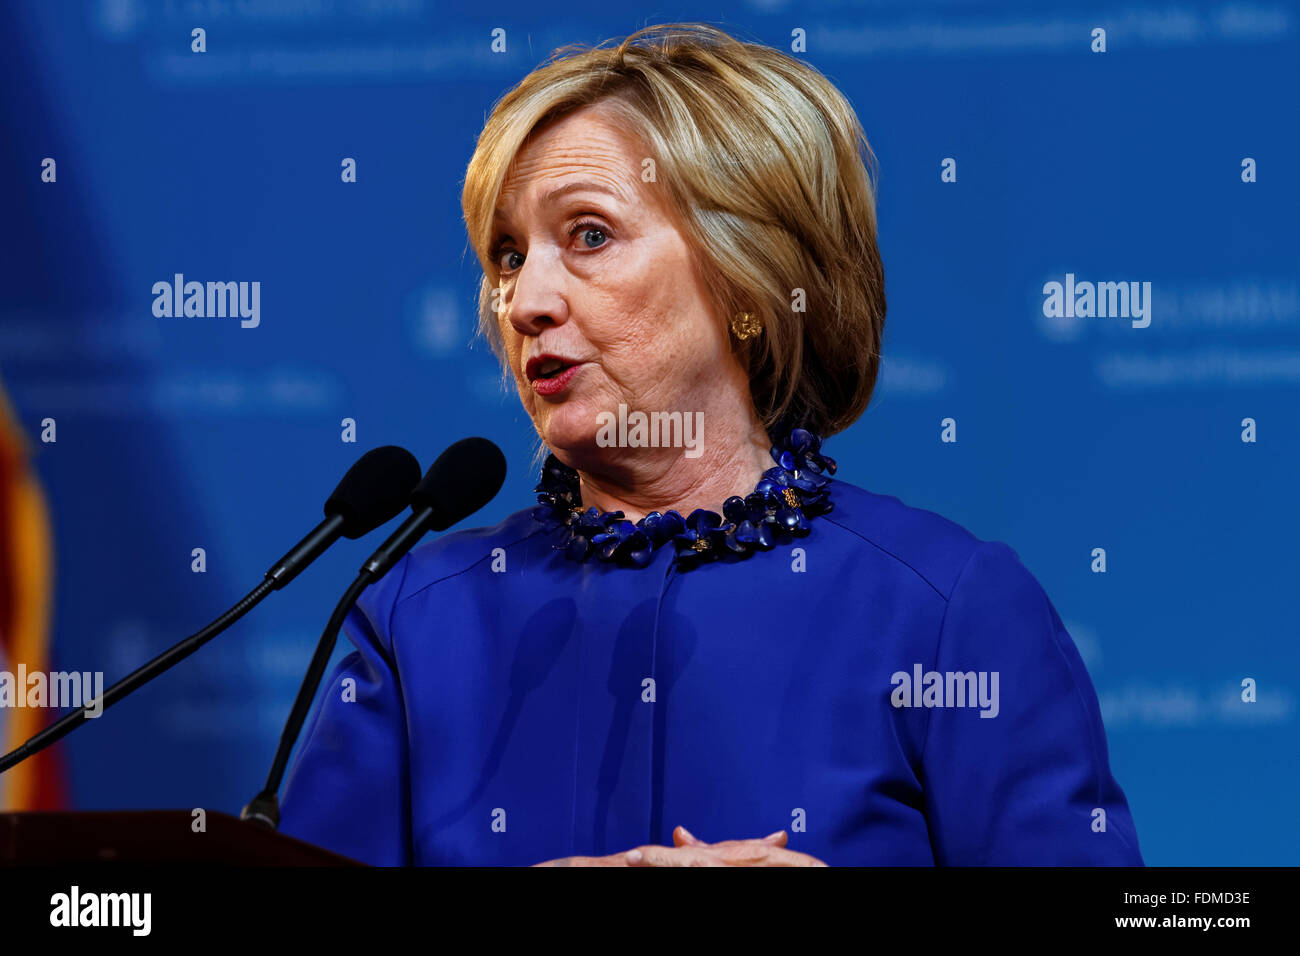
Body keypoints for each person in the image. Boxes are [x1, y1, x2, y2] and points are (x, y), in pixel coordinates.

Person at [278, 23, 1142, 867]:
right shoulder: (421, 619)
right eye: (507, 255)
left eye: (587, 235)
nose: (525, 299)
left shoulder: (945, 612)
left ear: (749, 276)